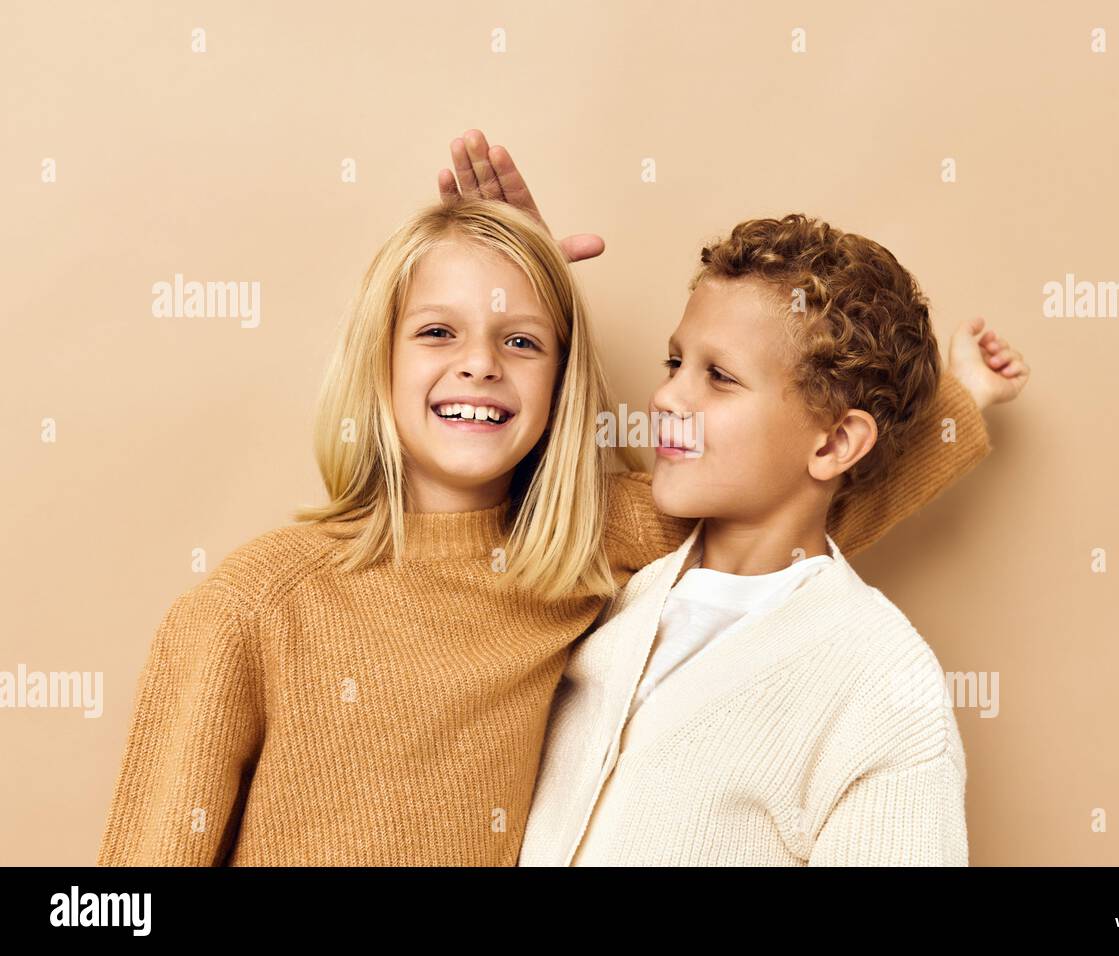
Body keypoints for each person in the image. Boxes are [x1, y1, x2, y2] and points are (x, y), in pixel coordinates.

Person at [98, 175, 1000, 864]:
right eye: (437, 332)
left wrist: (956, 406)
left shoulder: (582, 552)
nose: (480, 365)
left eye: (520, 343)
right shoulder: (254, 606)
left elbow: (787, 509)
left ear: (563, 380)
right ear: (376, 356)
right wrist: (511, 283)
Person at [518, 211, 1029, 865]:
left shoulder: (881, 686)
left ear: (837, 441)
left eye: (719, 377)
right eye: (675, 362)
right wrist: (519, 282)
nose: (668, 395)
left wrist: (964, 397)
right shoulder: (614, 600)